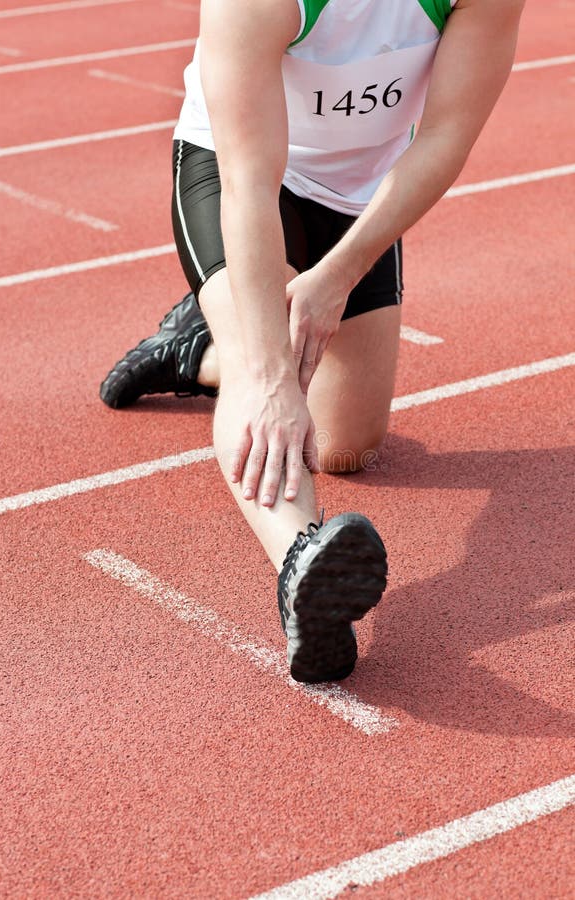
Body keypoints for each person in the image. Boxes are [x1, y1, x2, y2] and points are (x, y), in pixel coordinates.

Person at [100, 0, 525, 683]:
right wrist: (269, 376)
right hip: (240, 179)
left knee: (344, 444)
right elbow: (248, 181)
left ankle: (192, 347)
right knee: (258, 369)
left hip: (358, 201)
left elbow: (446, 135)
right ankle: (299, 562)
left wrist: (340, 275)